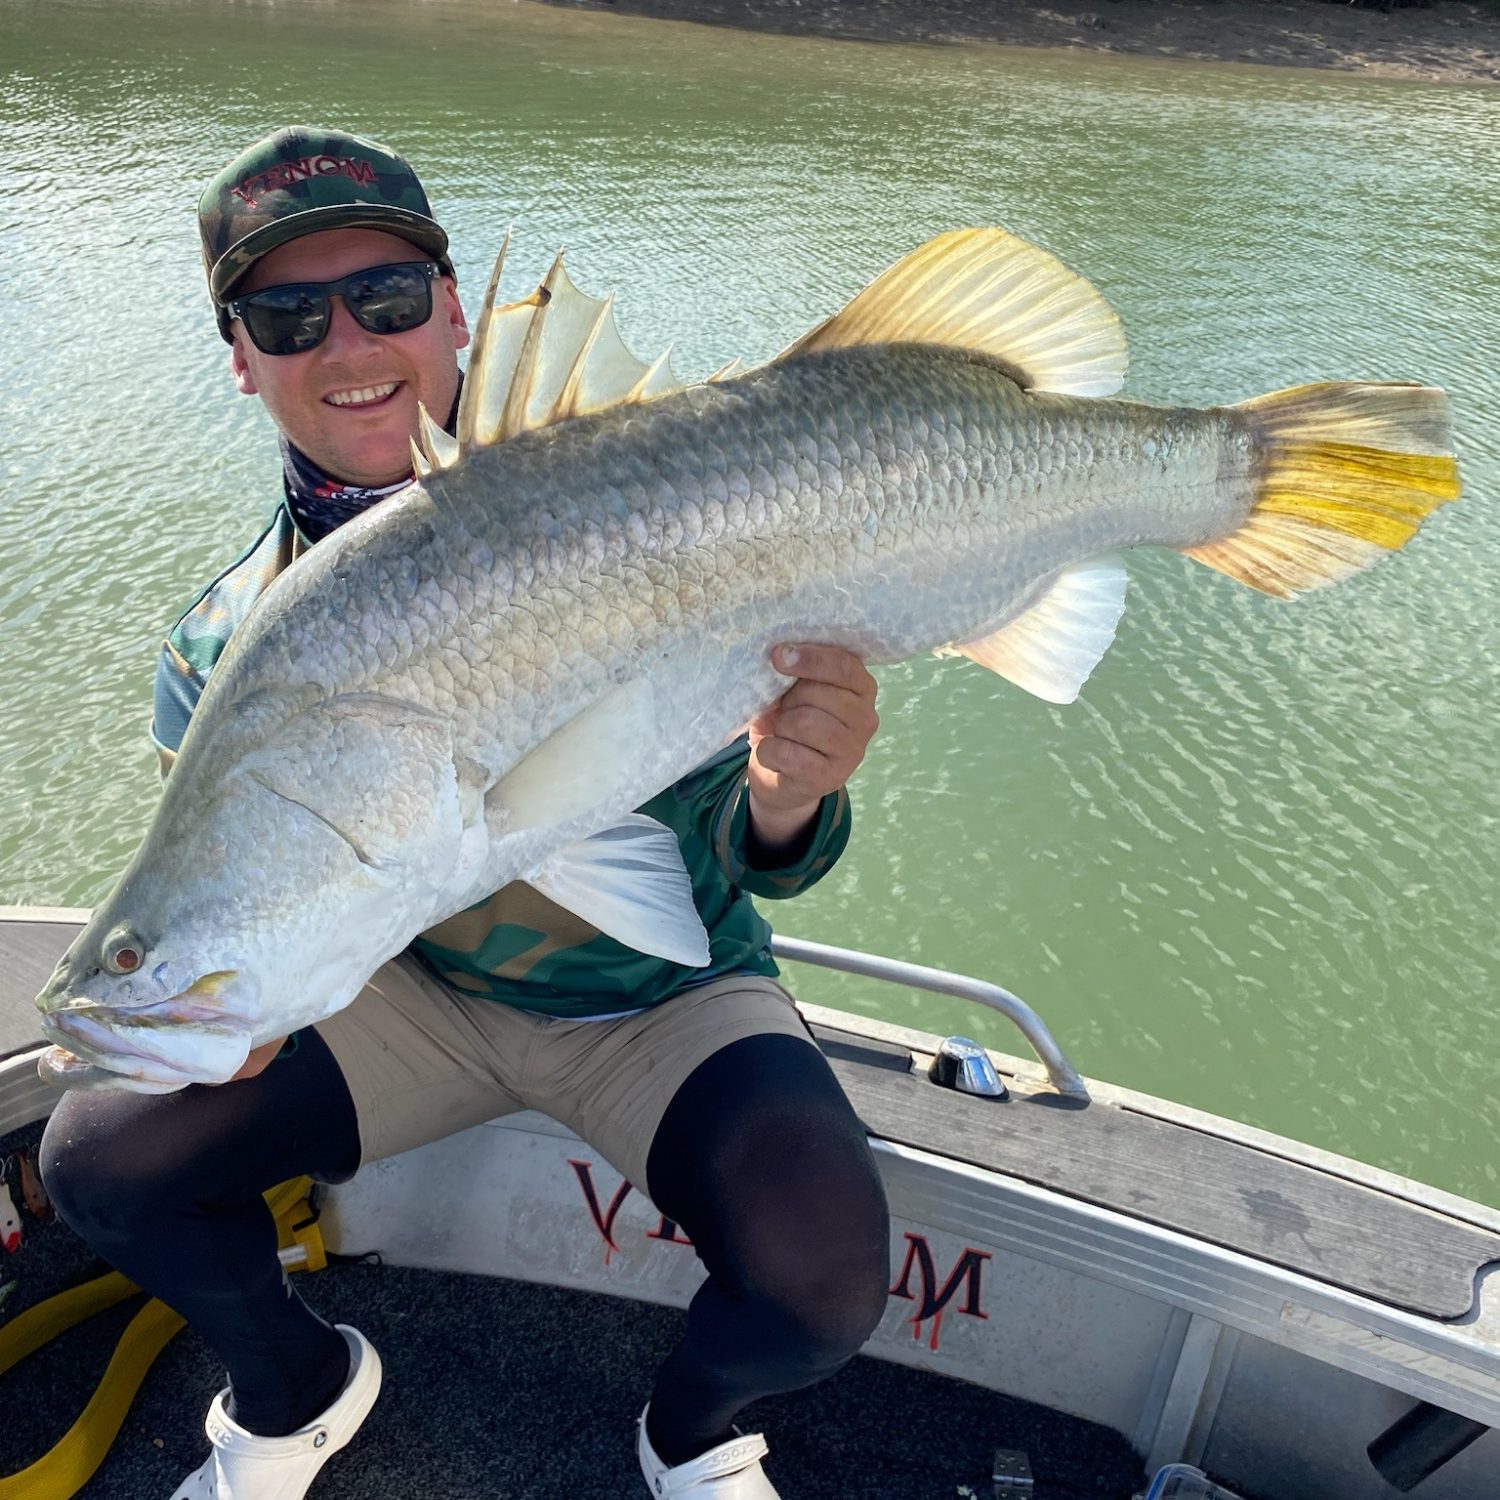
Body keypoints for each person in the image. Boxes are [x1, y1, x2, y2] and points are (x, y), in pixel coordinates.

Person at [39, 126, 891, 1500]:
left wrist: (794, 799)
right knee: (103, 1153)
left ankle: (695, 1433)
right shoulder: (216, 648)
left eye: (383, 297)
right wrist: (232, 1014)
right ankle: (295, 1388)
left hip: (655, 993)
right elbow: (229, 898)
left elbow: (760, 864)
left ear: (454, 313)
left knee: (828, 1273)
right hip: (407, 994)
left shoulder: (654, 519)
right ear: (241, 357)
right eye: (286, 315)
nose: (347, 343)